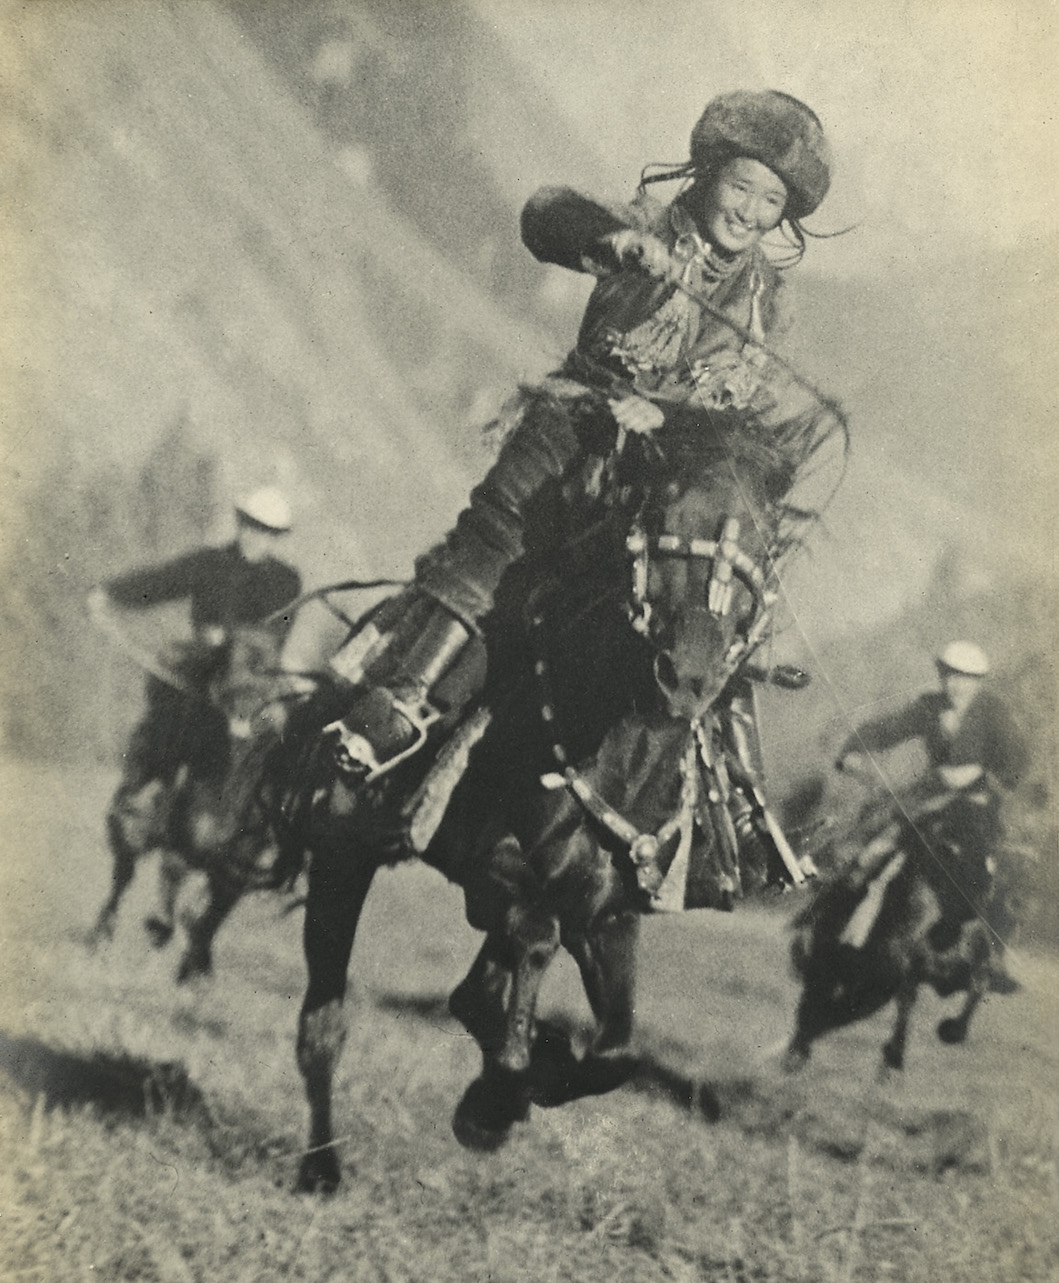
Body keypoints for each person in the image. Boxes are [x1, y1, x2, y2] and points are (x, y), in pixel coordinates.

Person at [327, 90, 836, 879]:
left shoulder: (773, 299)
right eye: (741, 187)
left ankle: (724, 815)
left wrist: (665, 418)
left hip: (664, 471)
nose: (749, 212)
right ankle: (393, 709)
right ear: (705, 176)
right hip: (570, 433)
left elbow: (736, 401)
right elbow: (545, 214)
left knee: (708, 604)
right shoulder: (647, 223)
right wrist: (616, 244)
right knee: (492, 550)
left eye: (770, 202)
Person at [835, 640, 1029, 993]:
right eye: (950, 676)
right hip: (931, 795)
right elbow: (886, 728)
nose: (956, 685)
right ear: (942, 676)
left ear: (979, 682)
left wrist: (979, 774)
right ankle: (846, 931)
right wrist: (852, 751)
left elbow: (1017, 762)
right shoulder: (929, 707)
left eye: (966, 678)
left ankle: (989, 959)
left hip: (976, 805)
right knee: (879, 845)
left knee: (984, 870)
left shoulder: (993, 713)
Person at [89, 486, 302, 807]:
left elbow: (275, 633)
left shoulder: (286, 581)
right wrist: (109, 594)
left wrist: (231, 638)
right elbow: (161, 582)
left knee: (282, 732)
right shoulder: (209, 563)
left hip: (251, 676)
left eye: (267, 532)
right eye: (251, 526)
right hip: (202, 665)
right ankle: (150, 784)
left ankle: (261, 824)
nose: (256, 537)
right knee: (169, 703)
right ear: (241, 524)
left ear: (276, 537)